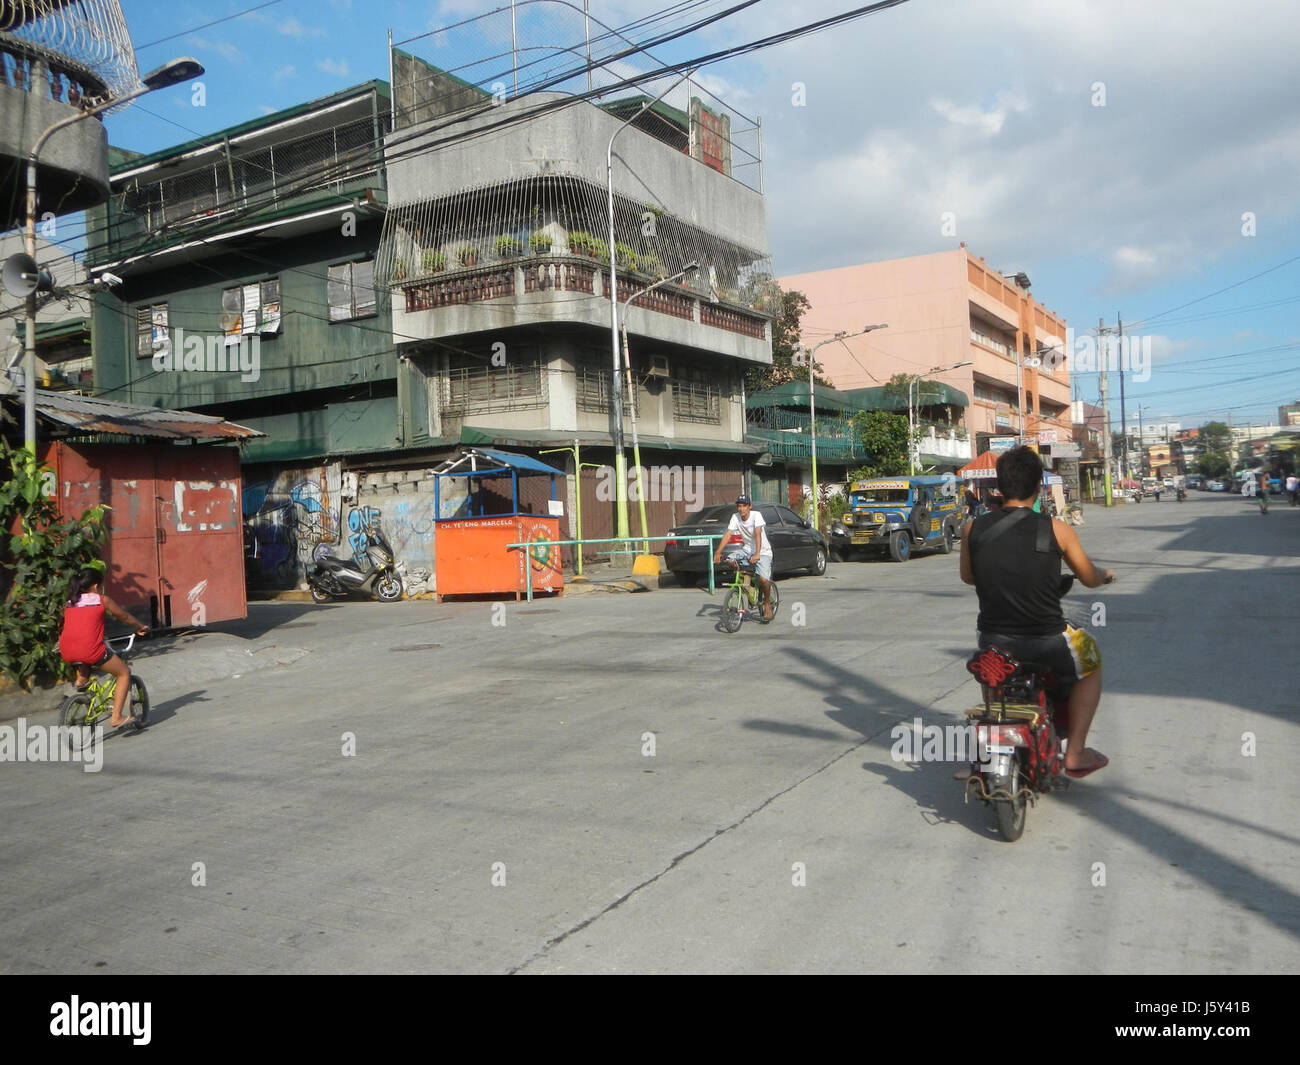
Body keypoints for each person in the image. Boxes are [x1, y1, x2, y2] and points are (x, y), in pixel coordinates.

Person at [959, 446, 1115, 779]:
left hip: (994, 639)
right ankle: (1074, 753)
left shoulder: (974, 530)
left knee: (992, 666)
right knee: (1092, 662)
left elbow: (968, 577)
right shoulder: (1057, 529)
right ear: (1039, 484)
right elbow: (1088, 577)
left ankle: (995, 728)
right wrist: (1105, 575)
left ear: (999, 486)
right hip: (1048, 641)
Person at [59, 567, 147, 728]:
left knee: (84, 655)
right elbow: (124, 616)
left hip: (66, 648)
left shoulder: (71, 601)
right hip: (90, 649)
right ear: (95, 585)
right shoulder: (101, 600)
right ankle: (116, 717)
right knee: (124, 673)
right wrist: (139, 626)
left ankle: (81, 685)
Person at [712, 495, 774, 620]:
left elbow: (758, 534)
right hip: (746, 550)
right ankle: (749, 590)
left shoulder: (756, 515)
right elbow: (728, 533)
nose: (741, 509)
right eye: (739, 506)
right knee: (730, 560)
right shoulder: (735, 517)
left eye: (744, 506)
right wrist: (718, 552)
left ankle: (767, 604)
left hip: (763, 551)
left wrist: (757, 554)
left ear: (749, 506)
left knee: (763, 580)